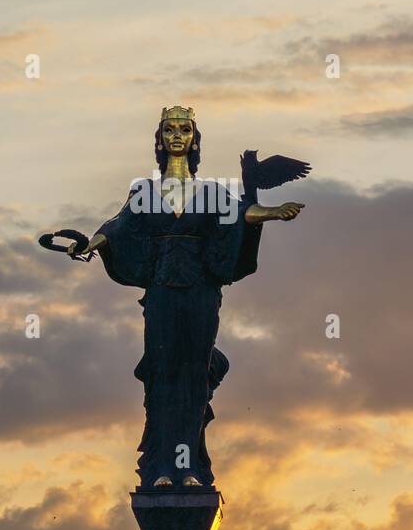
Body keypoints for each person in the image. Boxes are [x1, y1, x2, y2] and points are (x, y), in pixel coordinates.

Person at [68, 106, 304, 488]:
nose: (177, 135)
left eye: (184, 129)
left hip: (200, 292)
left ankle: (189, 467)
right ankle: (162, 467)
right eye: (169, 130)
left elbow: (241, 212)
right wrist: (87, 245)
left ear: (194, 139)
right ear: (160, 139)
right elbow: (118, 226)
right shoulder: (144, 192)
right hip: (161, 292)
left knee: (194, 374)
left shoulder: (210, 192)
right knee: (162, 372)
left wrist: (273, 213)